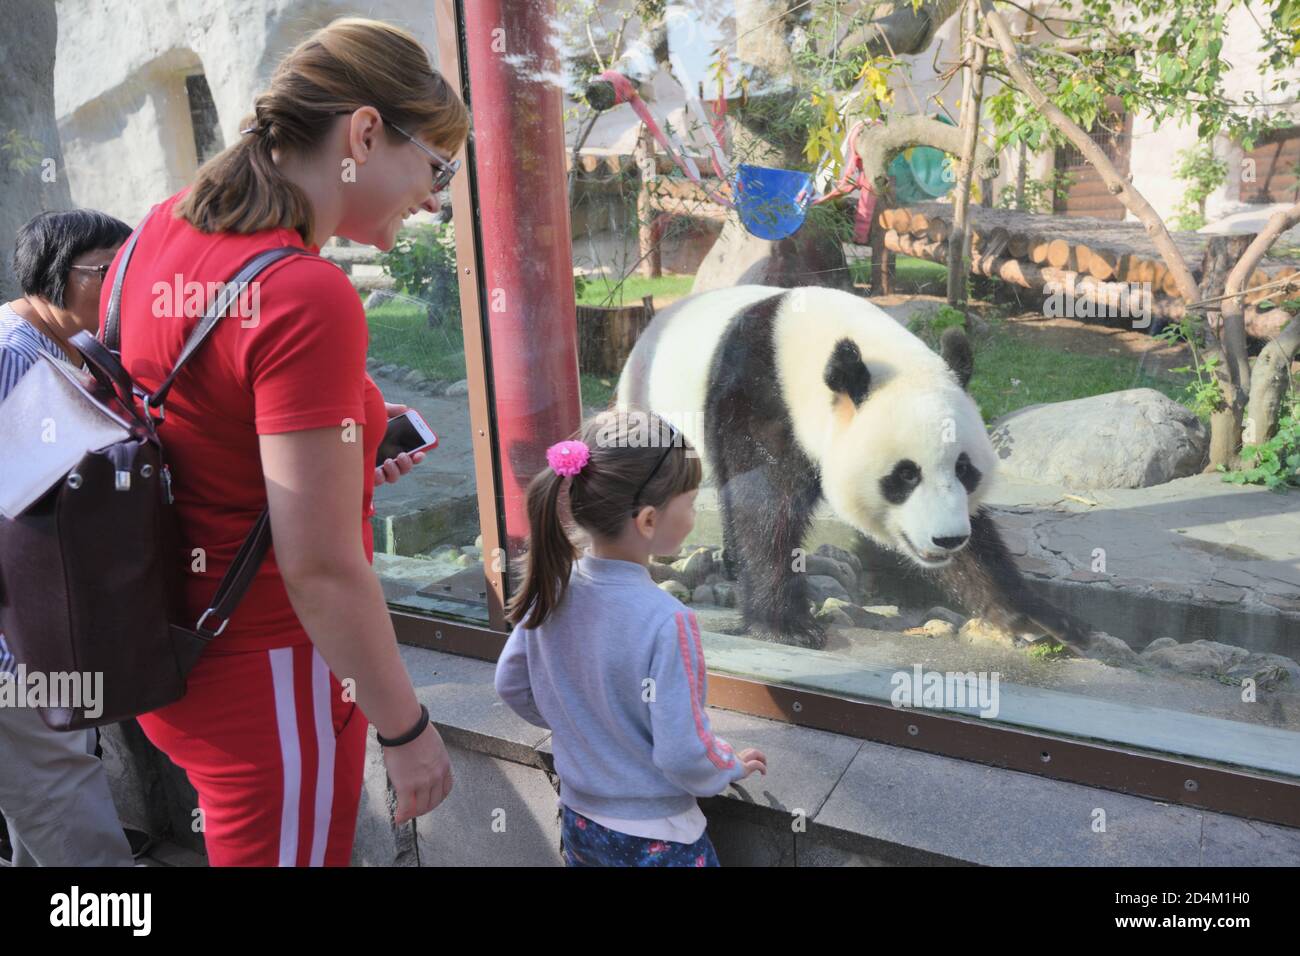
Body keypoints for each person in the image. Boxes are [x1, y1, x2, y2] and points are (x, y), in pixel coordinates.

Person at [104, 17, 471, 866]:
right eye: (438, 165)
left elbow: (203, 426)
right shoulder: (305, 293)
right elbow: (321, 563)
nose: (436, 195)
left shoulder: (161, 229)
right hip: (272, 672)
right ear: (366, 132)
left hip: (173, 648)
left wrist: (357, 443)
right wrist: (405, 727)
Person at [495, 409, 768, 867]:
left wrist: (585, 729)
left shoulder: (554, 588)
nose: (695, 512)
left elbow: (511, 684)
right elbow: (684, 753)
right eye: (690, 501)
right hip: (659, 839)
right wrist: (728, 767)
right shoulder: (668, 621)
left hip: (582, 822)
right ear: (647, 521)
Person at [0, 208, 136, 866]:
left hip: (40, 631)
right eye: (108, 272)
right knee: (62, 802)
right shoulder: (11, 356)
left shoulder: (62, 344)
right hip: (15, 644)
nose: (124, 287)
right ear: (59, 275)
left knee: (46, 802)